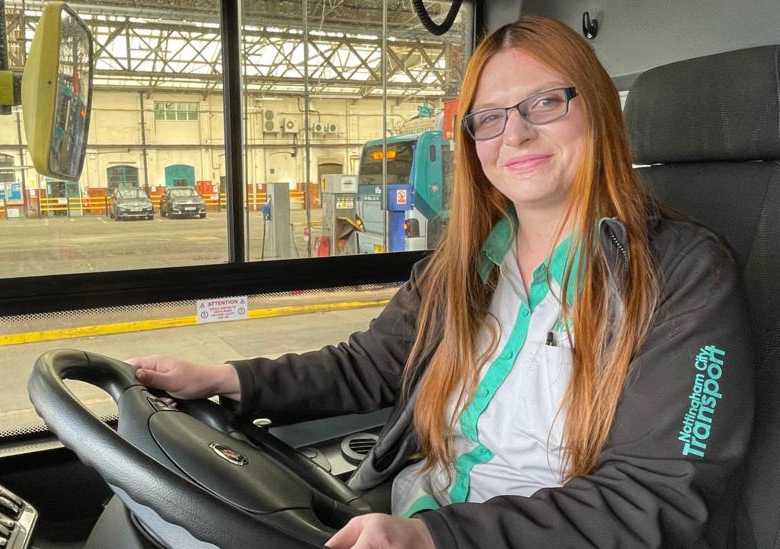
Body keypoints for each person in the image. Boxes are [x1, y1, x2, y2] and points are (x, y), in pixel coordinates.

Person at [129, 16, 754, 549]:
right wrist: (227, 380)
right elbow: (367, 365)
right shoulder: (464, 264)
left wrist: (439, 537)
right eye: (489, 118)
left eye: (544, 102)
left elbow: (656, 494)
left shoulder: (682, 274)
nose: (517, 134)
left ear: (595, 107)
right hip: (409, 510)